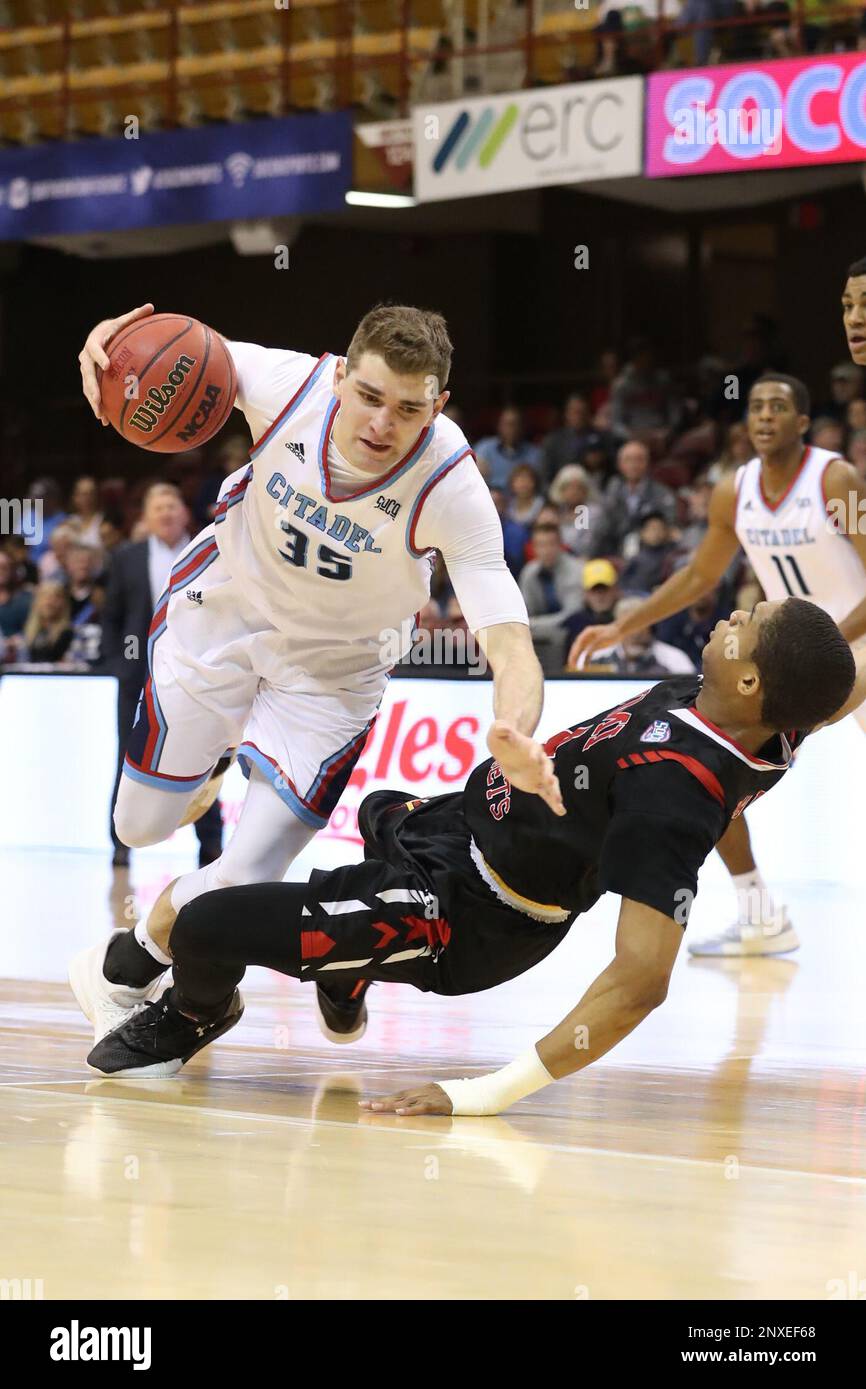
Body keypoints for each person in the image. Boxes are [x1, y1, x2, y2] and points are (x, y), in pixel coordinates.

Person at [84, 597, 865, 1105]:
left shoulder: (677, 799)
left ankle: (196, 1014)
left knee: (209, 926)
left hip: (468, 916)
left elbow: (641, 980)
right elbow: (842, 682)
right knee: (384, 808)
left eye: (746, 623)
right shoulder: (776, 718)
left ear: (754, 681)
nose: (731, 612)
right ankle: (347, 974)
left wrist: (479, 1094)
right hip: (453, 823)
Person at [72, 301, 558, 1047]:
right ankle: (218, 761)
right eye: (367, 396)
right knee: (138, 826)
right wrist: (104, 347)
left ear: (440, 404)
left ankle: (158, 971)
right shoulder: (284, 384)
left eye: (408, 408)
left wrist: (514, 730)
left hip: (332, 676)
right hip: (225, 612)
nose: (381, 423)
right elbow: (162, 353)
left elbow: (510, 639)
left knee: (240, 880)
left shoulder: (451, 486)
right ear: (339, 376)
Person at [571, 373, 866, 958]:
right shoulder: (737, 491)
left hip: (856, 641)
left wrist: (829, 642)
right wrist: (623, 624)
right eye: (755, 406)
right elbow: (701, 575)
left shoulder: (835, 478)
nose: (763, 417)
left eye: (778, 407)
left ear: (803, 422)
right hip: (791, 666)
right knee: (712, 762)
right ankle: (760, 915)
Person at [100, 482, 223, 872]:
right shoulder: (126, 558)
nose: (167, 513)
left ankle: (210, 847)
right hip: (139, 676)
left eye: (173, 505)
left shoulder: (212, 548)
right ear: (146, 517)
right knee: (127, 756)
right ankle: (120, 845)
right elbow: (112, 618)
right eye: (158, 507)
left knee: (204, 757)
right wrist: (121, 665)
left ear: (184, 512)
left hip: (197, 671)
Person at [518, 521, 584, 673]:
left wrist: (533, 624)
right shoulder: (529, 572)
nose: (546, 550)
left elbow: (572, 614)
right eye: (540, 545)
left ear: (560, 545)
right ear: (533, 548)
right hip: (539, 628)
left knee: (575, 624)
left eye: (550, 544)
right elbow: (524, 613)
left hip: (568, 629)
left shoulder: (576, 570)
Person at [593, 439, 676, 557]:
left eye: (639, 460)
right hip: (614, 552)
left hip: (650, 554)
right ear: (619, 464)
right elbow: (602, 527)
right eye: (628, 460)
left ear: (647, 463)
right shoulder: (611, 492)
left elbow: (669, 525)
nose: (633, 465)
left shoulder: (662, 494)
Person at [608, 595, 696, 676]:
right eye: (628, 626)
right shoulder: (599, 658)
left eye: (640, 624)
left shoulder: (675, 659)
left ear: (651, 625)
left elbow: (692, 689)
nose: (635, 632)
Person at [474, 406, 541, 490]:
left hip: (520, 500)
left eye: (515, 424)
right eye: (507, 424)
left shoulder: (534, 454)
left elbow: (539, 486)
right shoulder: (485, 448)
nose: (511, 429)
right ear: (499, 426)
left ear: (522, 427)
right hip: (490, 498)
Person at [21, 581, 74, 664]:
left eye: (56, 597)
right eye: (45, 596)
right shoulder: (29, 632)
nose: (49, 602)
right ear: (36, 602)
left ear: (64, 603)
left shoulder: (68, 633)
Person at [68, 476, 104, 548]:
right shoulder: (68, 522)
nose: (88, 498)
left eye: (91, 493)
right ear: (75, 497)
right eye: (84, 494)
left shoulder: (104, 521)